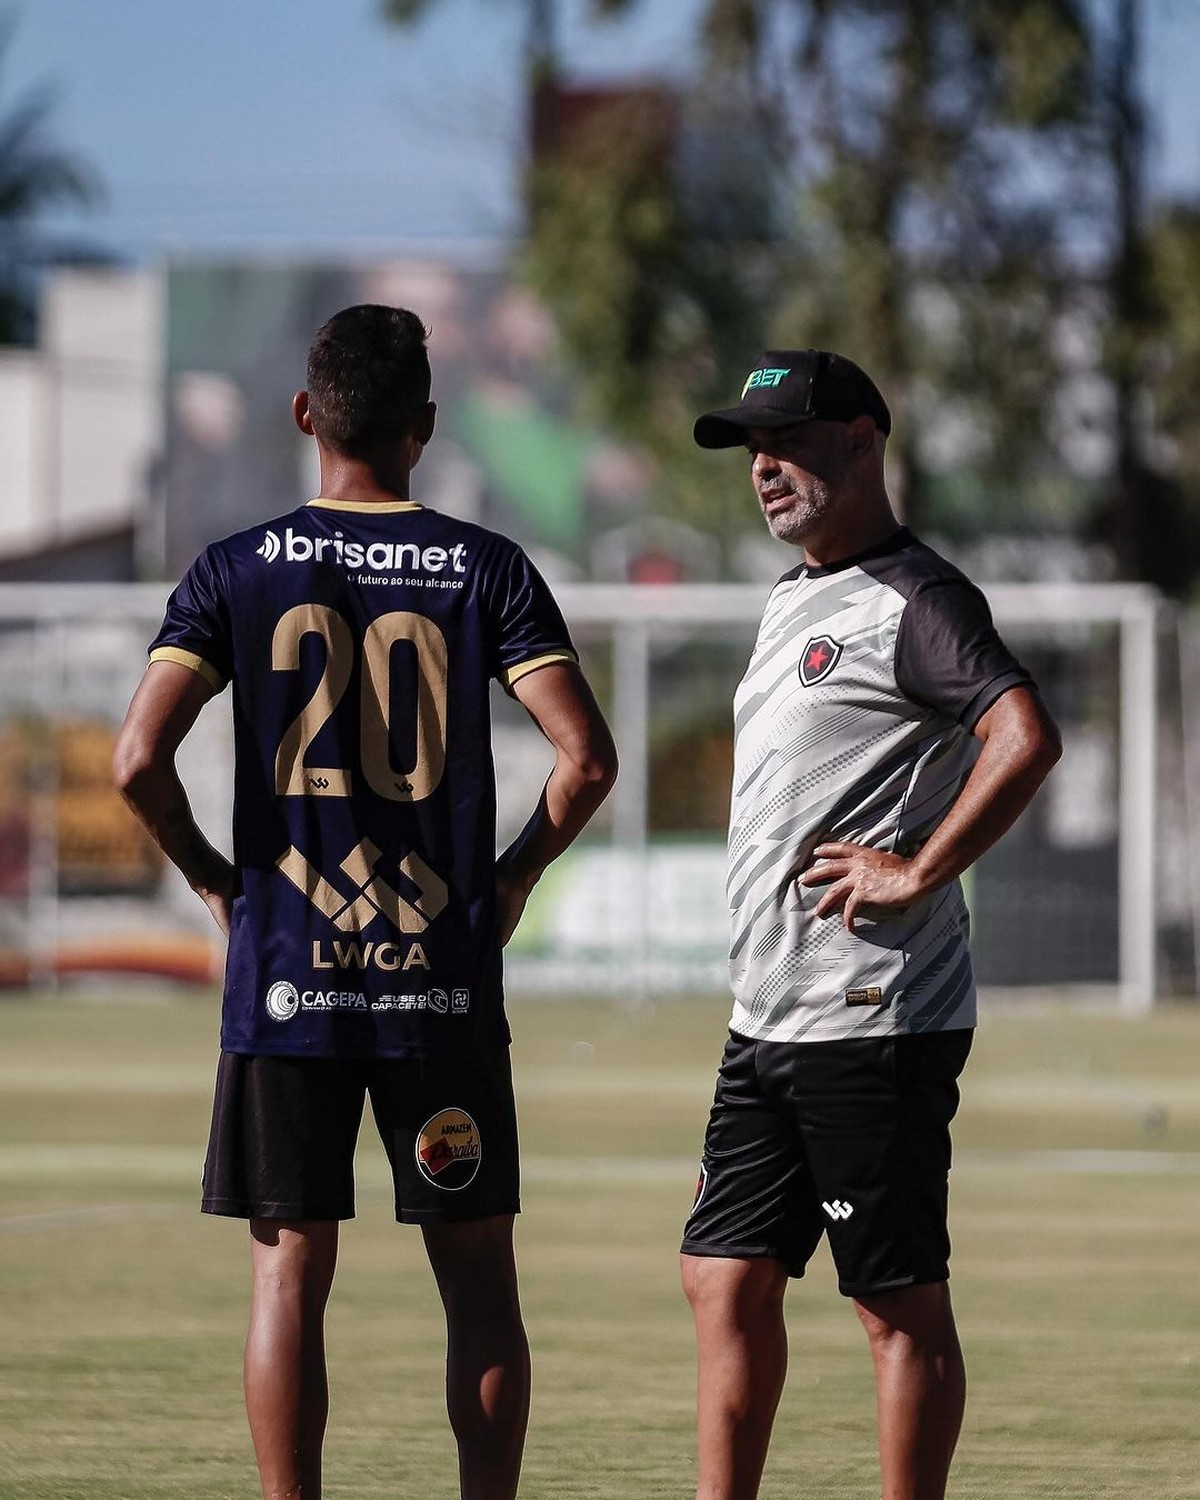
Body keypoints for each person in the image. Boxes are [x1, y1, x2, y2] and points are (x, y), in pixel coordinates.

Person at [113, 304, 618, 1500]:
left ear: (305, 415)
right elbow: (585, 759)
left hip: (288, 979)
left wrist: (213, 881)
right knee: (481, 1285)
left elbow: (137, 760)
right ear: (426, 427)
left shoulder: (232, 570)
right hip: (436, 987)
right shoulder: (485, 567)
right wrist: (511, 878)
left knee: (288, 1276)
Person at [680, 350, 1062, 1500]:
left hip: (873, 1014)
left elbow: (1024, 735)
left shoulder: (917, 598)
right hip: (771, 1015)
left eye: (786, 442)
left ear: (861, 440)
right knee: (722, 1279)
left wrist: (918, 870)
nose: (764, 469)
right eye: (751, 450)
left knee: (893, 1307)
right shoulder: (794, 597)